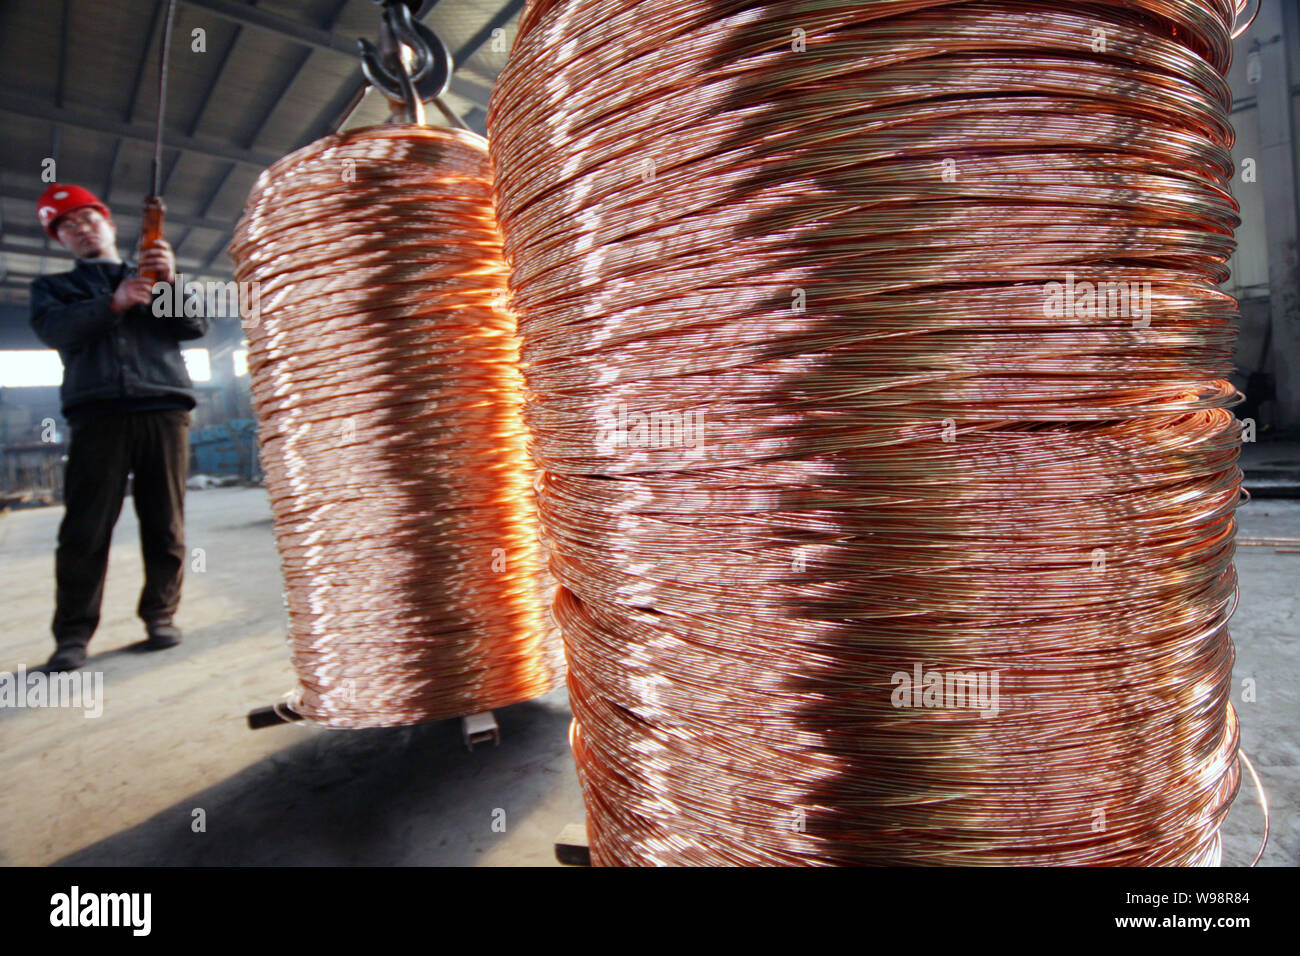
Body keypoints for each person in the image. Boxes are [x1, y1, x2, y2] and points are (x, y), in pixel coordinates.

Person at [29, 183, 208, 672]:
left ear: (108, 223)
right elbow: (56, 330)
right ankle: (72, 635)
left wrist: (170, 282)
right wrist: (113, 302)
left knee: (165, 523)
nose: (81, 230)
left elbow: (193, 327)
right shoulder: (53, 290)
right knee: (85, 529)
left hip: (163, 409)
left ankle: (160, 616)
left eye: (88, 219)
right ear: (60, 240)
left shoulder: (152, 274)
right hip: (97, 414)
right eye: (67, 226)